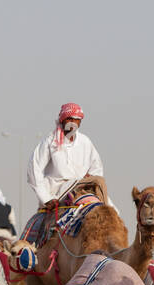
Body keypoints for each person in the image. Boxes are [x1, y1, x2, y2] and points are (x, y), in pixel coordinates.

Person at [23, 102, 107, 244]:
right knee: (34, 238)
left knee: (111, 213)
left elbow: (97, 168)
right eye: (69, 119)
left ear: (80, 122)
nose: (72, 123)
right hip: (56, 195)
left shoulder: (85, 142)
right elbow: (34, 168)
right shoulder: (50, 141)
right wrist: (46, 198)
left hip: (82, 190)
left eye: (76, 120)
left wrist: (89, 179)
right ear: (62, 120)